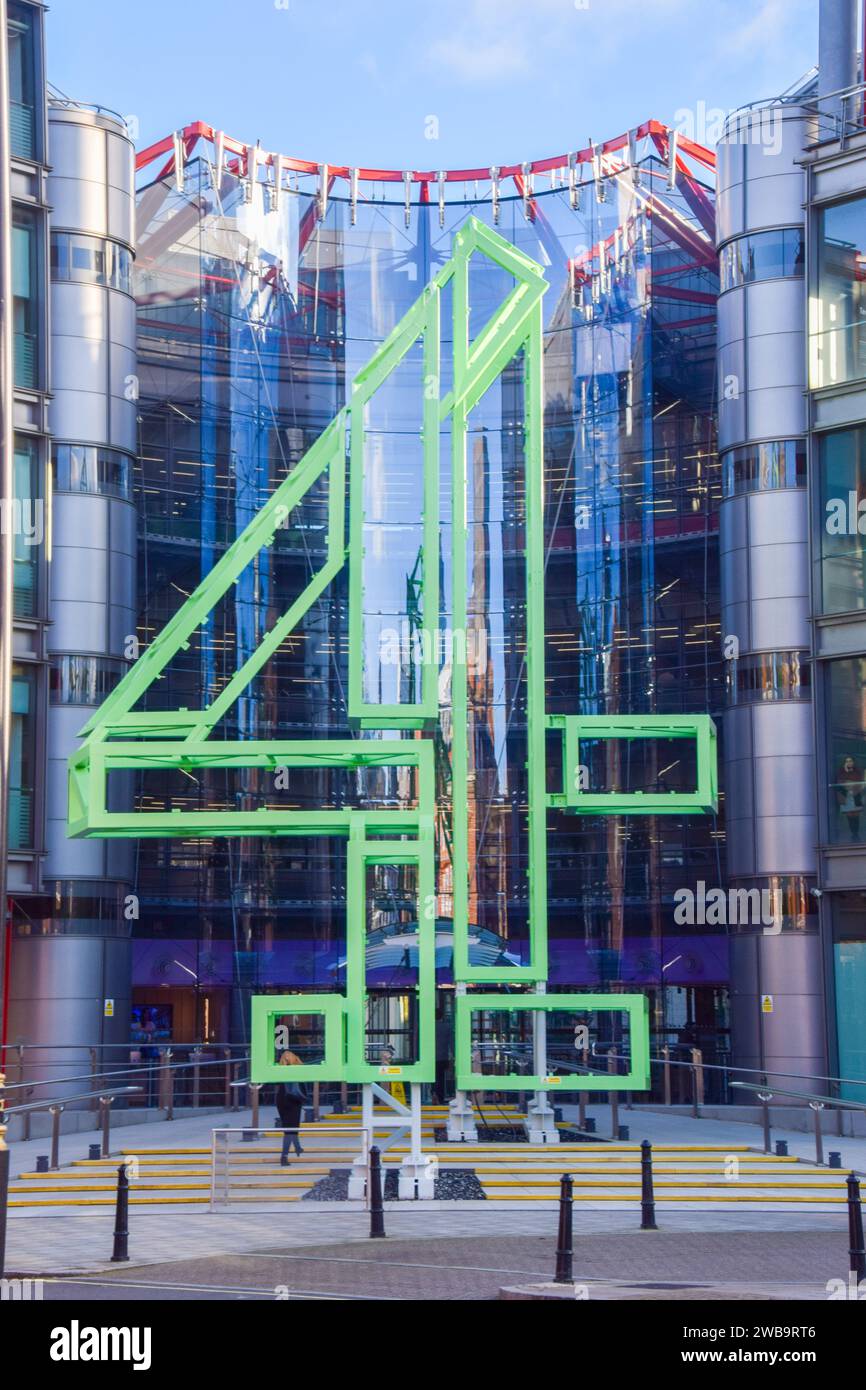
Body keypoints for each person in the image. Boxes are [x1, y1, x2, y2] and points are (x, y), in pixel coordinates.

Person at [274, 1050, 306, 1164]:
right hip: (294, 1099)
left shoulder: (279, 1069)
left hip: (281, 1099)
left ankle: (297, 1147)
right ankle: (284, 1156)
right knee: (291, 1129)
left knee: (289, 1127)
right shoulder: (299, 1068)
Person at [835, 755, 865, 841]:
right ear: (844, 763)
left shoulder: (857, 771)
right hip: (846, 797)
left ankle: (856, 834)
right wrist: (846, 772)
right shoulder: (841, 771)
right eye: (847, 761)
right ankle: (853, 834)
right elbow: (840, 783)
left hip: (856, 795)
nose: (849, 763)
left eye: (850, 761)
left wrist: (851, 783)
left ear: (853, 762)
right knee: (849, 816)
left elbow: (859, 782)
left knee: (856, 816)